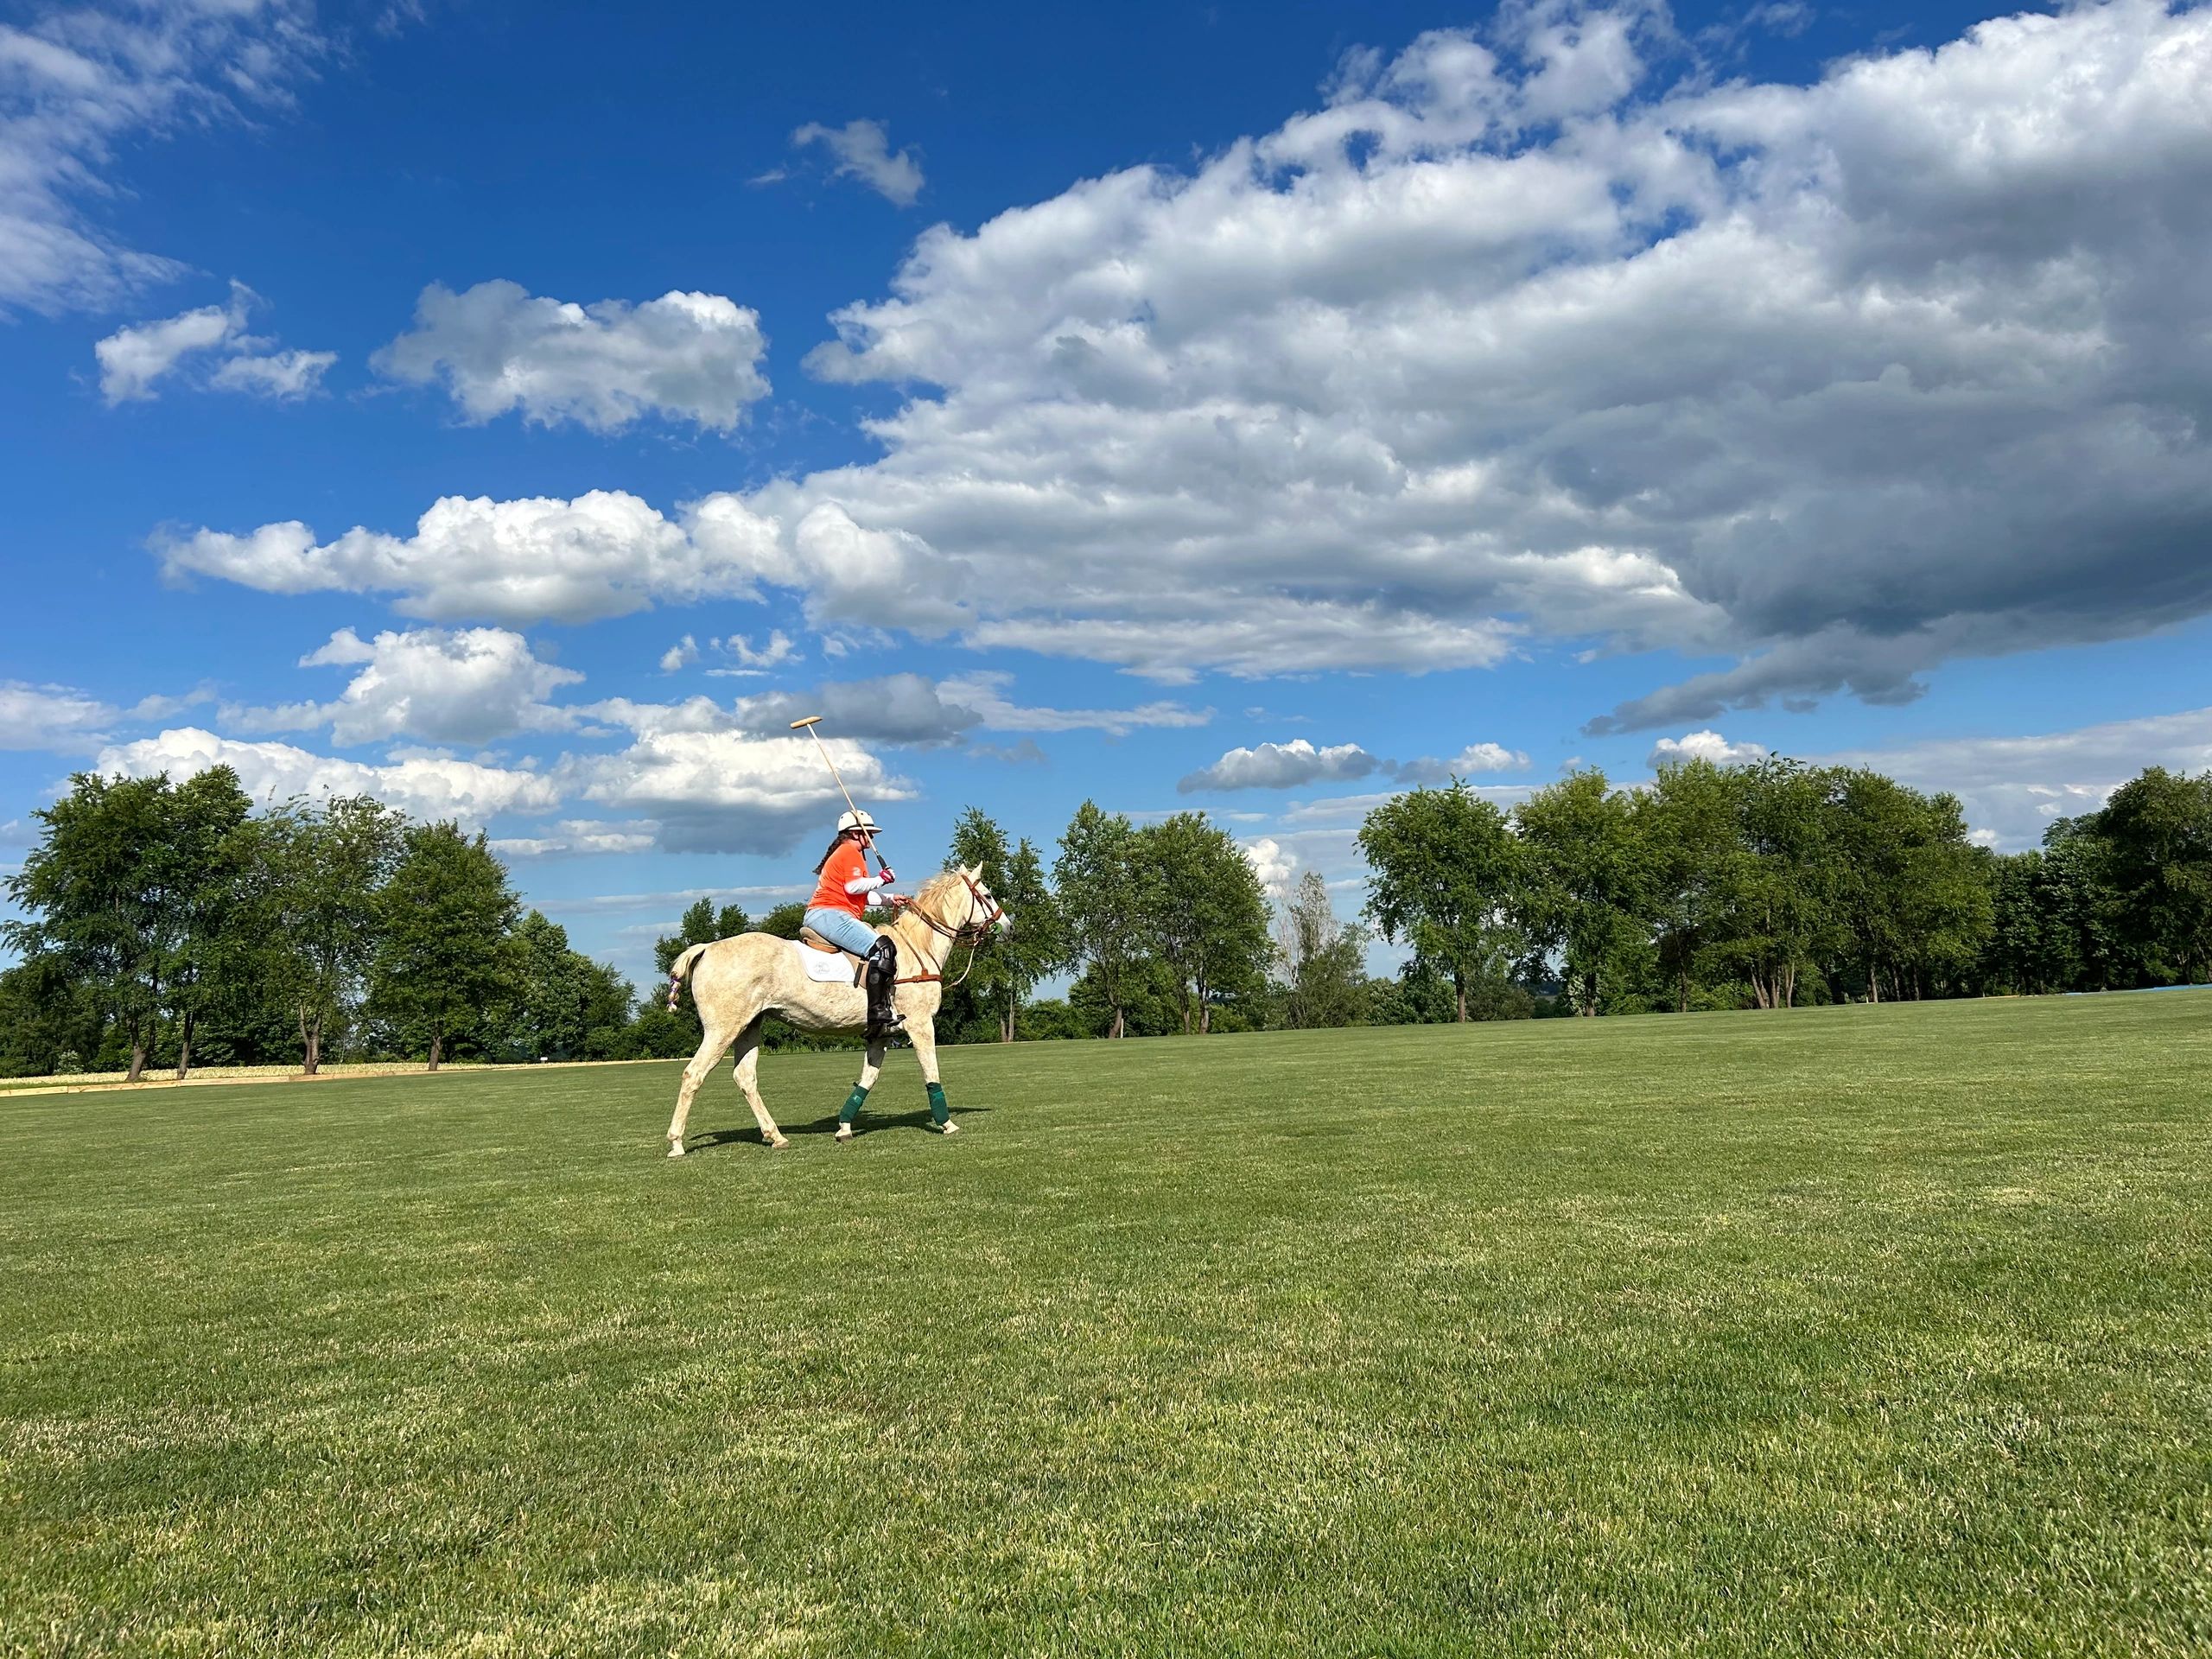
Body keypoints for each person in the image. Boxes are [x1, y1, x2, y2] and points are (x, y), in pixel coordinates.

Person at [804, 810, 904, 1038]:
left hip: (830, 913)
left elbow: (860, 894)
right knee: (884, 948)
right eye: (869, 833)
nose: (872, 838)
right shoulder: (850, 851)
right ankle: (878, 1013)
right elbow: (853, 887)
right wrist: (881, 880)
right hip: (830, 913)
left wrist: (889, 899)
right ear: (855, 833)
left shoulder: (850, 853)